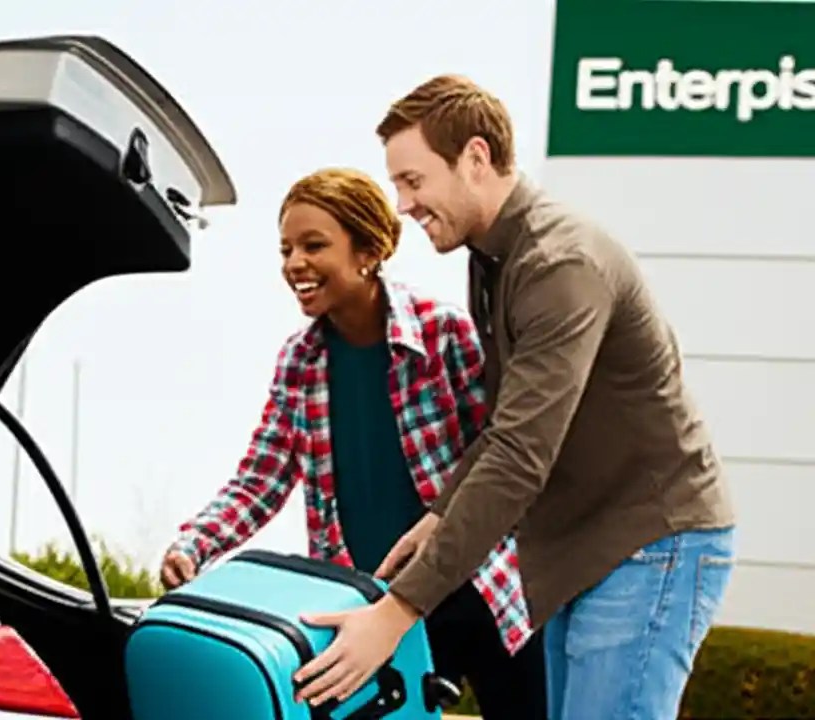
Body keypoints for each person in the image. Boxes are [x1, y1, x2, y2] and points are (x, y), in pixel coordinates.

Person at [291, 75, 737, 720]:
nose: (403, 205)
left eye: (413, 181)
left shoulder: (560, 264)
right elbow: (507, 424)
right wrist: (440, 516)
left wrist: (398, 611)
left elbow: (522, 453)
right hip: (585, 548)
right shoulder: (496, 259)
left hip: (650, 542)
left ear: (475, 159)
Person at [162, 167, 547, 720]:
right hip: (372, 606)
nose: (295, 263)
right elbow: (261, 480)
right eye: (286, 249)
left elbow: (502, 450)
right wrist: (194, 545)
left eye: (314, 245)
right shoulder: (300, 361)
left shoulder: (444, 335)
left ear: (368, 249)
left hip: (477, 590)